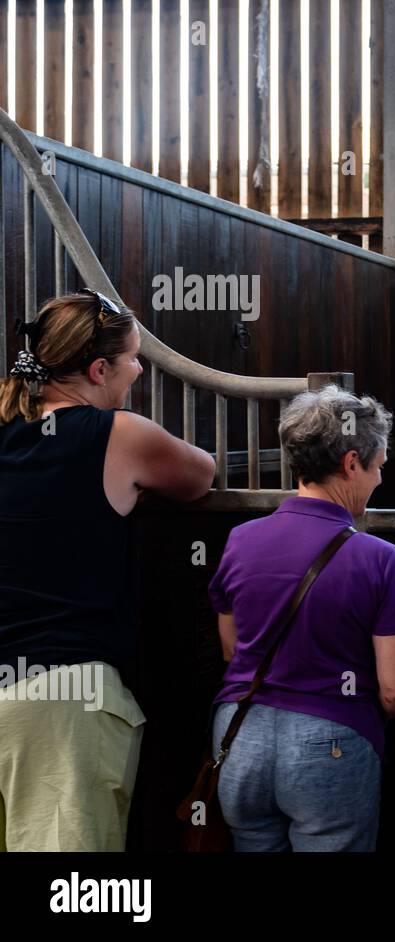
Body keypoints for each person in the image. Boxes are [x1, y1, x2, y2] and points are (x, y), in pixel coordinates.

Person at [0, 290, 215, 851]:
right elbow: (201, 475)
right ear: (98, 371)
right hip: (63, 699)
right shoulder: (117, 435)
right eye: (133, 359)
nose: (140, 369)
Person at [208, 385, 395, 851]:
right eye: (379, 466)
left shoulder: (240, 540)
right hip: (330, 741)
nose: (380, 480)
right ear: (351, 463)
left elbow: (232, 648)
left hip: (239, 737)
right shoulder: (379, 558)